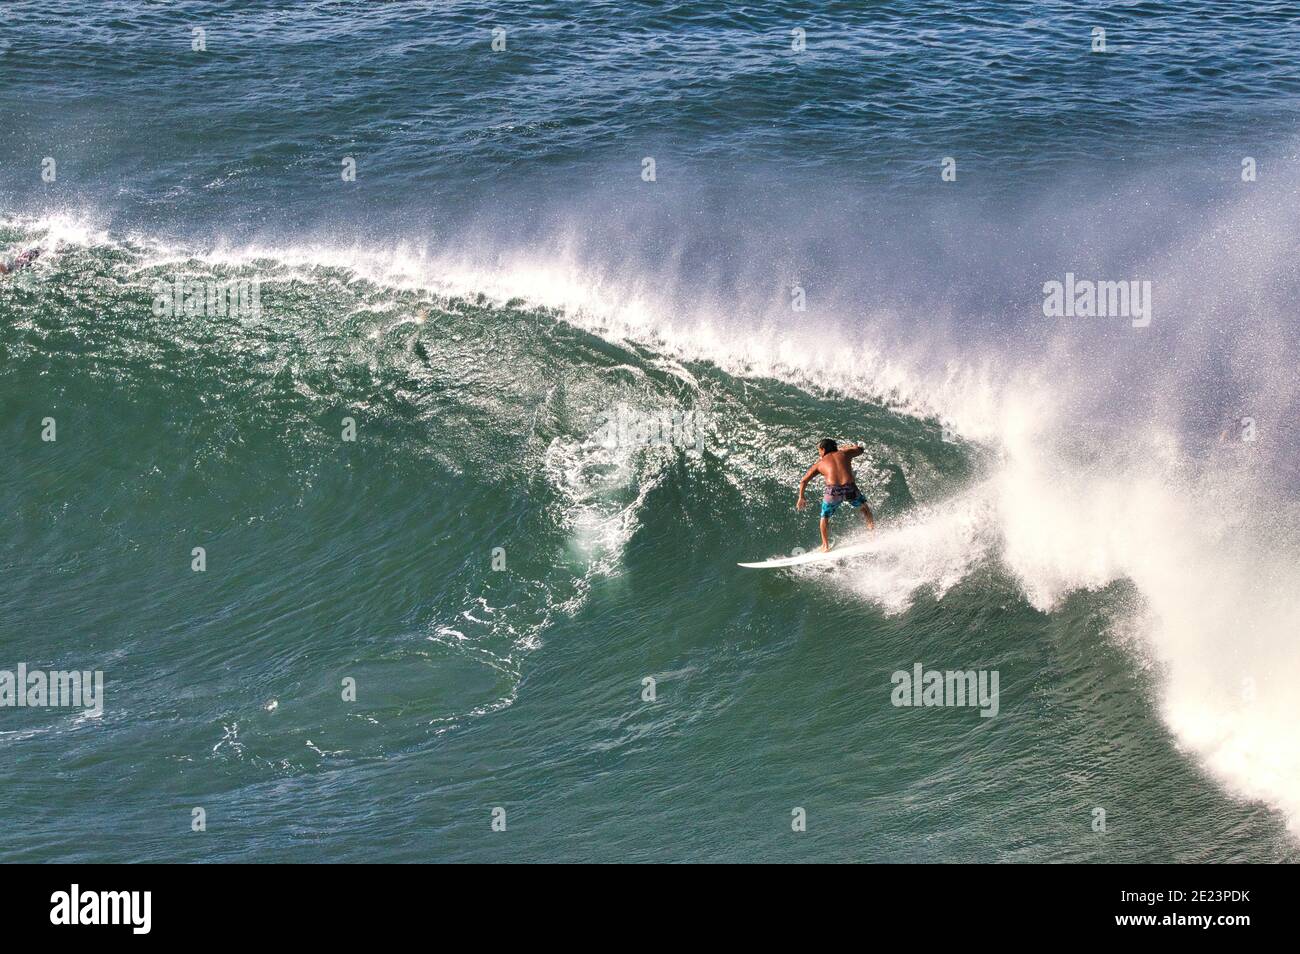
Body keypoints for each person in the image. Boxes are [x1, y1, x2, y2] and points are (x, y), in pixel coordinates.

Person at [796, 438, 875, 551]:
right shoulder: (844, 453)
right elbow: (860, 450)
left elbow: (803, 481)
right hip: (850, 488)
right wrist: (848, 447)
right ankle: (871, 533)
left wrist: (801, 497)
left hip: (833, 492)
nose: (819, 453)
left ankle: (825, 545)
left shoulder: (820, 464)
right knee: (864, 507)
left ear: (823, 450)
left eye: (819, 450)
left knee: (825, 517)